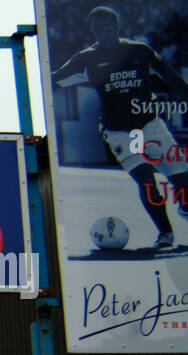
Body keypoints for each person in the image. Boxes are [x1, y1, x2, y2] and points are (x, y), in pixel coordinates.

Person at [52, 5, 188, 249]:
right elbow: (55, 80)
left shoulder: (140, 51)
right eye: (98, 29)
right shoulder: (86, 59)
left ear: (116, 27)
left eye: (108, 28)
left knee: (183, 183)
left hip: (151, 126)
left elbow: (169, 76)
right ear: (93, 31)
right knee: (147, 180)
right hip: (119, 132)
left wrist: (182, 94)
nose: (103, 33)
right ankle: (166, 234)